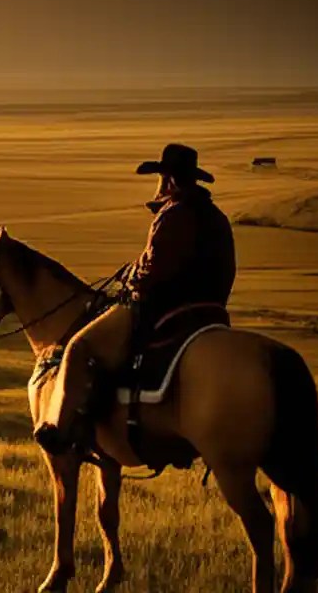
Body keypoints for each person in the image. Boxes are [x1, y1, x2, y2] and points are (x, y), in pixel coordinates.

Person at [33, 143, 236, 456]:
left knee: (78, 347)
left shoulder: (174, 214)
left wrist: (132, 282)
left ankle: (58, 430)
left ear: (167, 180)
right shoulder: (216, 217)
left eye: (160, 178)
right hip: (211, 311)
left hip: (162, 309)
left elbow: (156, 269)